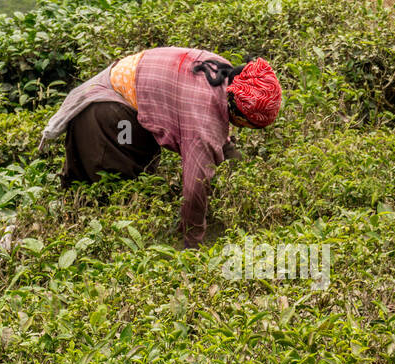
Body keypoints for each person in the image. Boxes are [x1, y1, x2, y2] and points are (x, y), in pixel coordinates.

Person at [37, 47, 282, 247]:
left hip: (125, 95)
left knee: (142, 172)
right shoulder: (202, 121)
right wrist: (192, 242)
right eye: (250, 126)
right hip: (107, 112)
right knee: (116, 187)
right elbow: (195, 187)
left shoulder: (224, 73)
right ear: (239, 114)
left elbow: (218, 136)